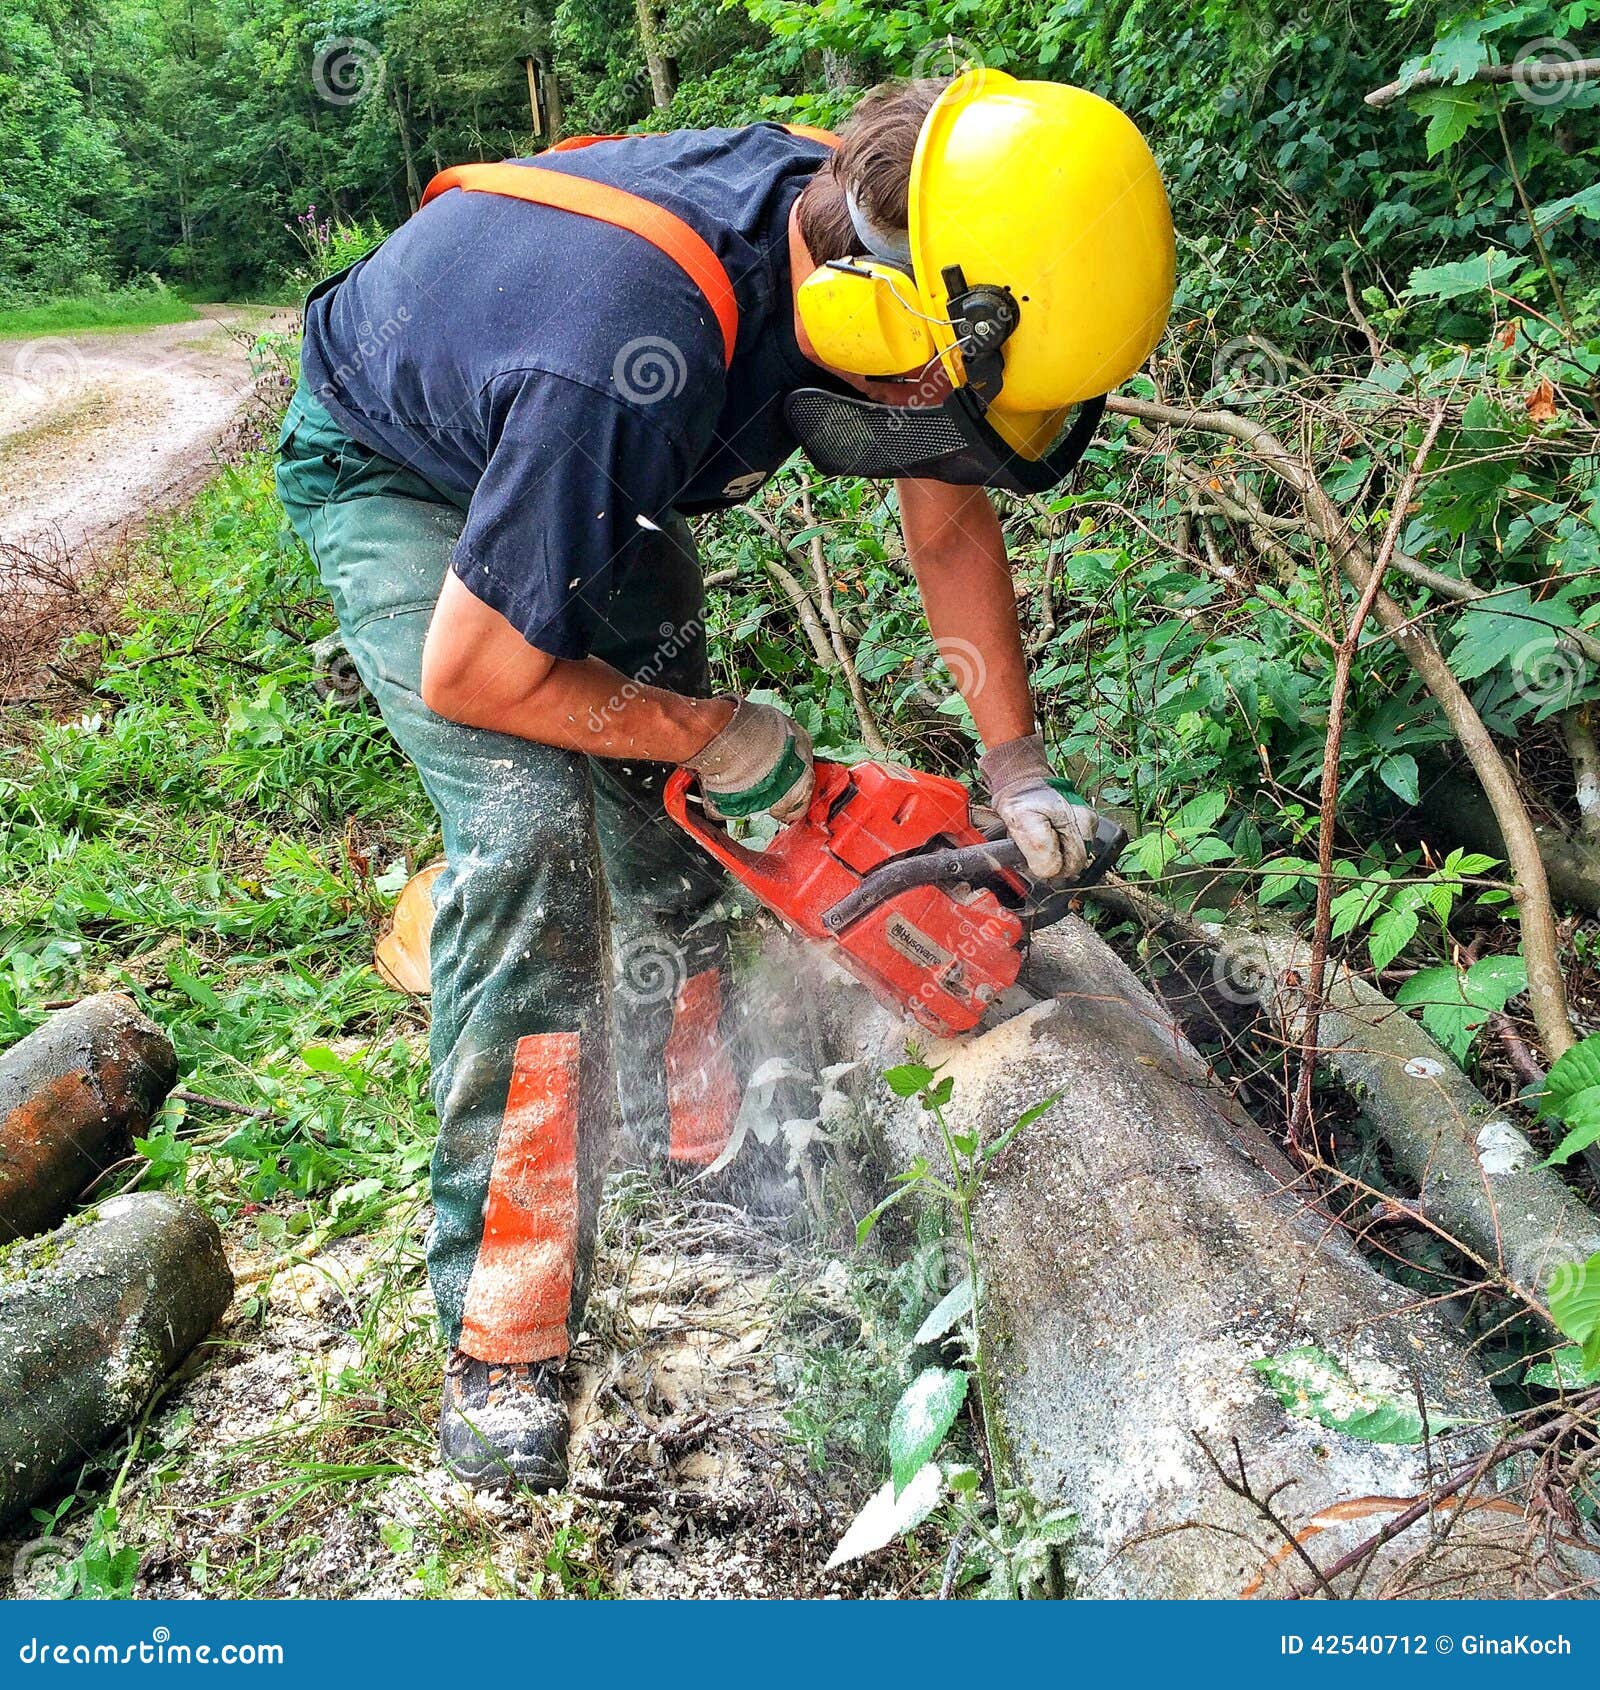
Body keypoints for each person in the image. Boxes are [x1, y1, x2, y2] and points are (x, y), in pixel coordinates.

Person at [274, 68, 1174, 1493]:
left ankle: (690, 1113)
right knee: (534, 836)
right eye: (938, 392)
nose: (939, 419)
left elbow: (946, 519)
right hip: (403, 469)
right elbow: (477, 675)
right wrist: (705, 731)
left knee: (682, 804)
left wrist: (1016, 769)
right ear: (872, 311)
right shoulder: (627, 350)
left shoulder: (910, 218)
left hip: (575, 449)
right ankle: (505, 1331)